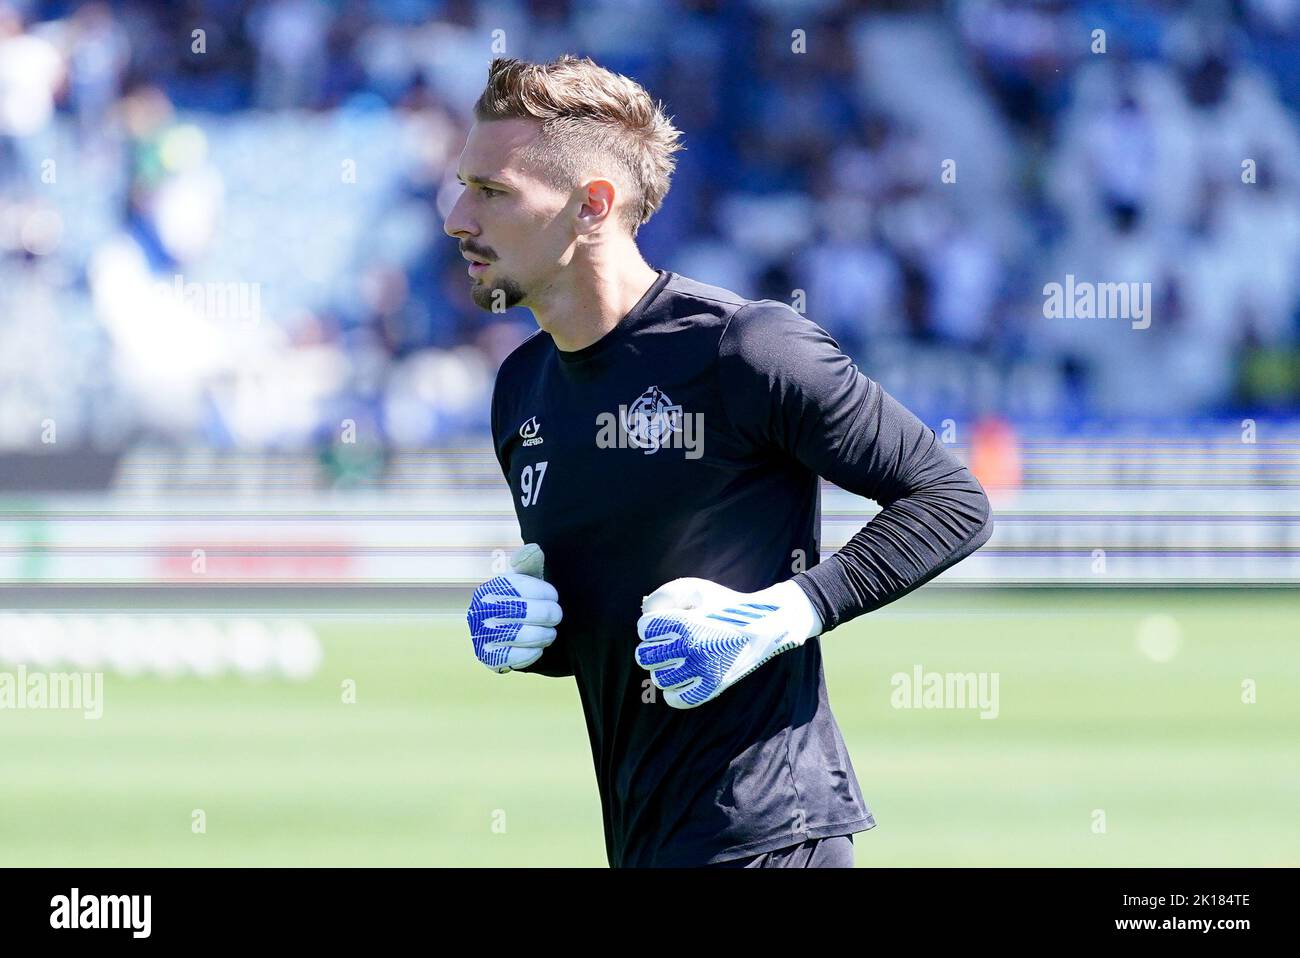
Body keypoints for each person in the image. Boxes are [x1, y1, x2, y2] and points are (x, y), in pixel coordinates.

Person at [447, 55, 994, 868]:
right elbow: (630, 632)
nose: (457, 216)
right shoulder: (521, 392)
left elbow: (952, 502)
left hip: (774, 839)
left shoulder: (747, 348)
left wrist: (787, 612)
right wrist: (535, 632)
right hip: (641, 845)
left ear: (590, 206)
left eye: (492, 192)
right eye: (463, 186)